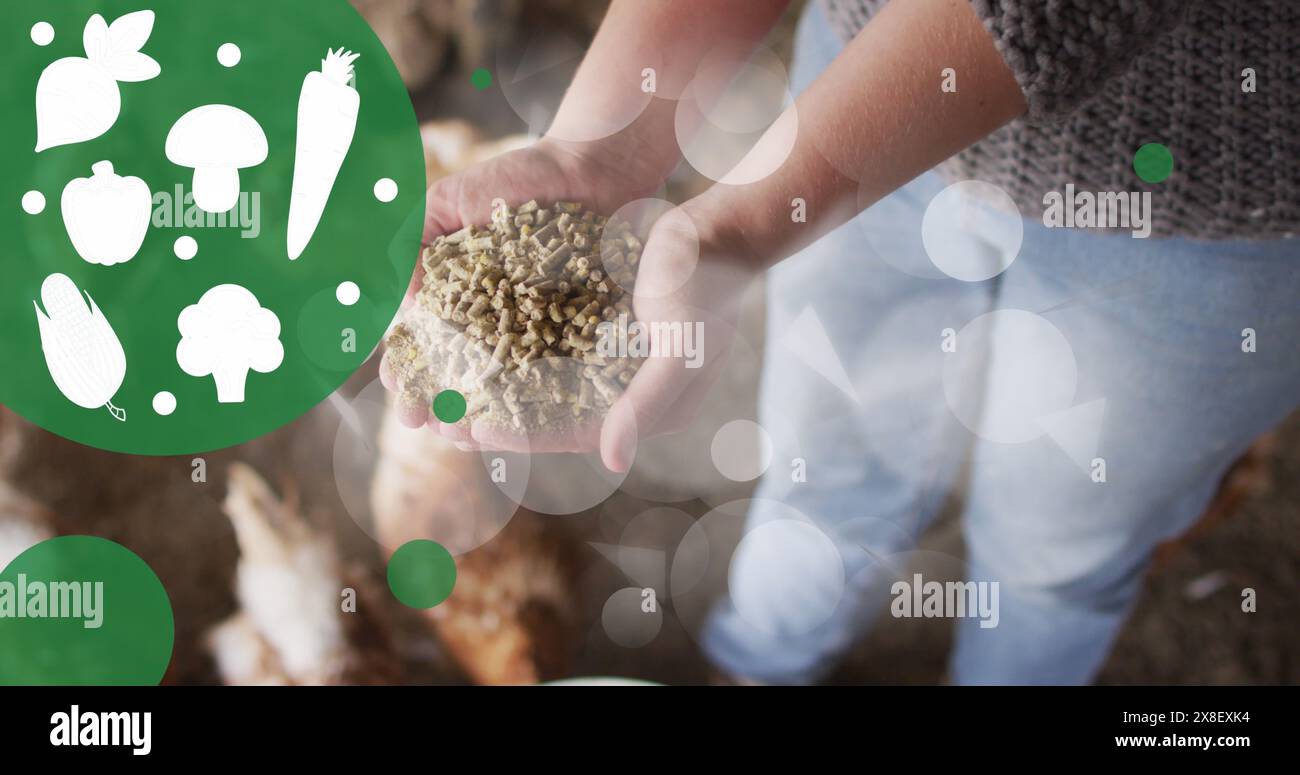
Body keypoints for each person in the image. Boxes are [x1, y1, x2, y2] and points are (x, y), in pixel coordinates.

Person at [384, 0, 1300, 684]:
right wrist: (601, 145)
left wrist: (740, 227)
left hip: (1217, 199)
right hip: (857, 93)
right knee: (828, 455)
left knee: (1057, 546)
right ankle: (762, 663)